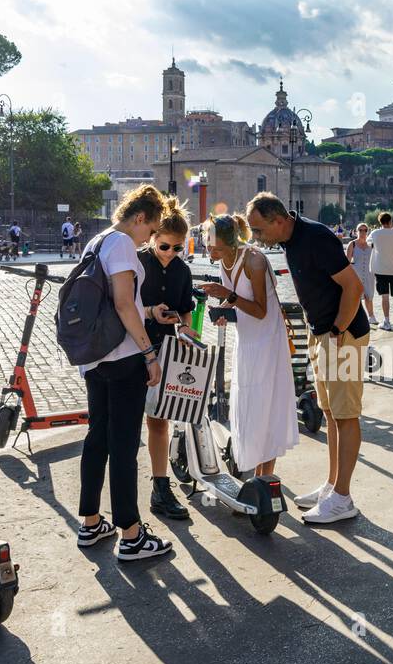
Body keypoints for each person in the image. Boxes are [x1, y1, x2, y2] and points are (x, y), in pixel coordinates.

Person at [246, 192, 368, 524]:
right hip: (323, 333)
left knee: (346, 415)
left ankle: (343, 498)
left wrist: (338, 330)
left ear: (279, 220)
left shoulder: (315, 237)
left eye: (258, 230)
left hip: (342, 335)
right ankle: (332, 485)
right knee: (330, 414)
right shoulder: (289, 240)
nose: (257, 237)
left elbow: (353, 287)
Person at [76, 184, 172, 561]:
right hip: (122, 357)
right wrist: (149, 352)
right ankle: (131, 534)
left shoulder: (97, 241)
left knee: (97, 437)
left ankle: (90, 522)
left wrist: (147, 311)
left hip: (96, 357)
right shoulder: (121, 244)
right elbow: (121, 303)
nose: (150, 240)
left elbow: (116, 301)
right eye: (151, 232)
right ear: (140, 218)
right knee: (124, 444)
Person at [202, 214, 299, 477]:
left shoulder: (255, 261)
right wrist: (223, 309)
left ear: (232, 244)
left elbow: (260, 311)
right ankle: (259, 475)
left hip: (267, 340)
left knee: (264, 404)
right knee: (249, 403)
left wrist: (228, 296)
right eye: (208, 245)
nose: (211, 251)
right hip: (247, 340)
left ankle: (263, 477)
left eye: (216, 247)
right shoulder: (225, 260)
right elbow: (236, 300)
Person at [137, 203, 199, 521]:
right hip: (130, 351)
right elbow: (121, 306)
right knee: (124, 425)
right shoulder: (135, 262)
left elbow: (186, 310)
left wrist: (186, 329)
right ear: (152, 236)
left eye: (177, 247)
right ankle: (122, 496)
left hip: (164, 352)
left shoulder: (182, 271)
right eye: (164, 246)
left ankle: (160, 488)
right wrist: (150, 311)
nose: (170, 253)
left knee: (159, 421)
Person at [345, 222, 377, 324]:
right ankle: (354, 318)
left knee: (369, 296)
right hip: (356, 274)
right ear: (356, 231)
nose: (363, 232)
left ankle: (371, 317)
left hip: (369, 274)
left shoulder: (372, 245)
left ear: (368, 232)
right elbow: (347, 261)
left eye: (365, 230)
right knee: (356, 297)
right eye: (360, 230)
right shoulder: (352, 244)